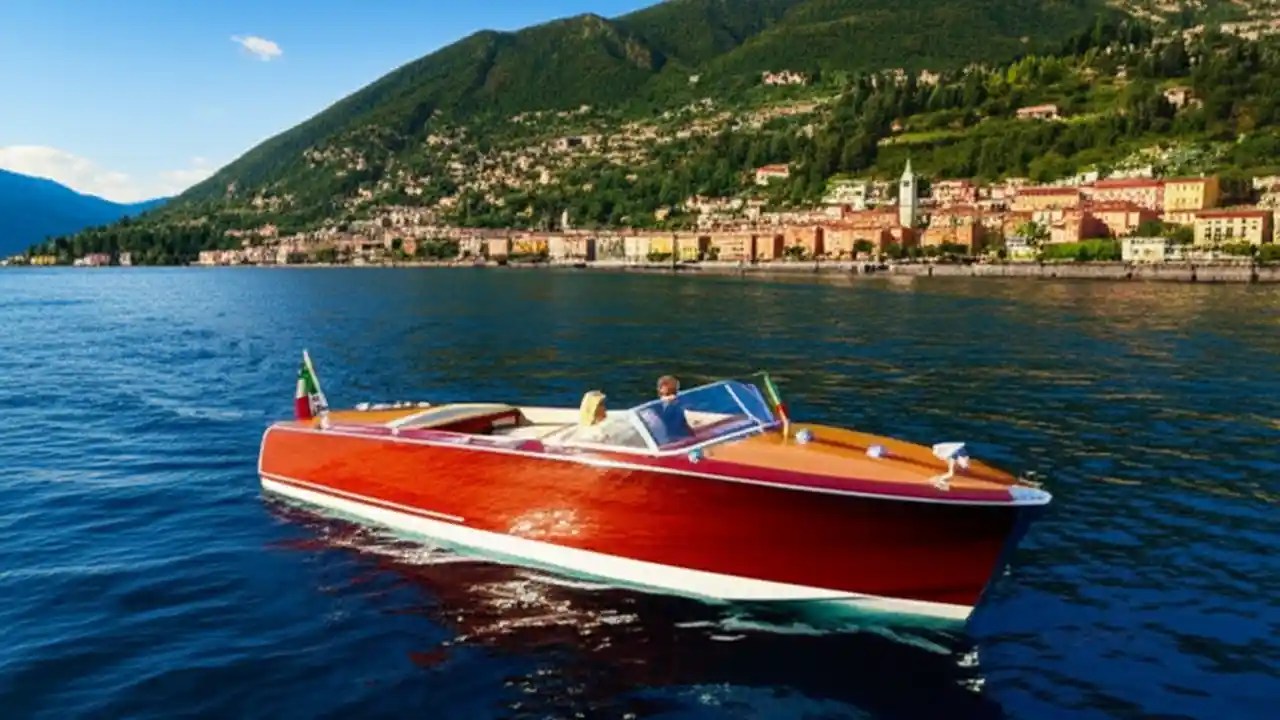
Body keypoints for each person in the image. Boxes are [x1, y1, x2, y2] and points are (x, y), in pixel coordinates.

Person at [647, 375, 693, 444]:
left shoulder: (683, 404)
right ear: (659, 391)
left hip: (682, 440)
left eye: (673, 393)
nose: (671, 397)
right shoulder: (653, 407)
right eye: (667, 394)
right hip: (664, 441)